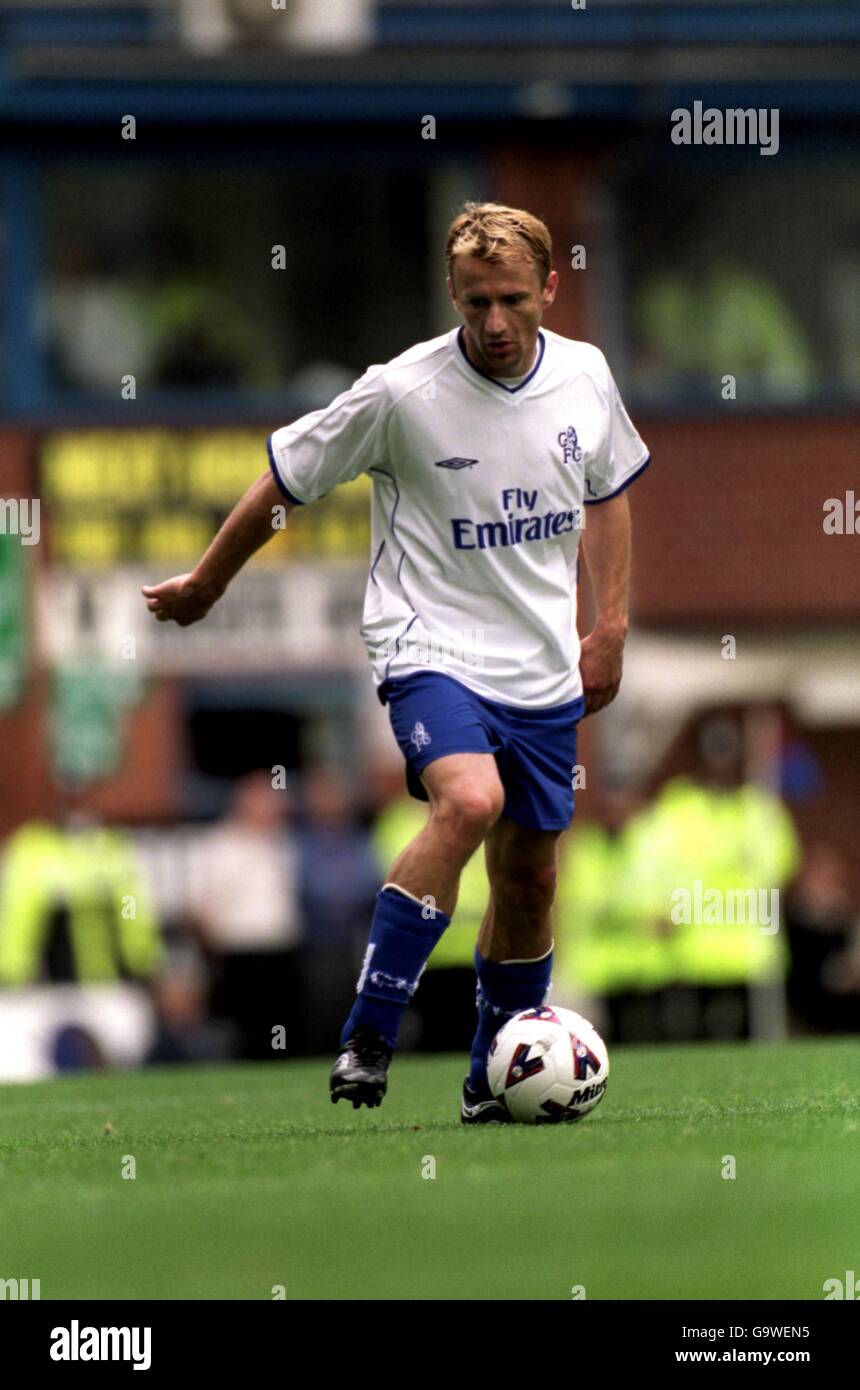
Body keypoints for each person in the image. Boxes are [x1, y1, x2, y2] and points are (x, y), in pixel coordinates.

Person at [142, 201, 650, 1121]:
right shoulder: (400, 392)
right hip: (429, 645)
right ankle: (370, 1034)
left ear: (549, 287)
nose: (494, 322)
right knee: (470, 800)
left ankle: (490, 1081)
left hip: (541, 666)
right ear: (452, 296)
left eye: (511, 300)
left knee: (530, 878)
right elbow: (286, 480)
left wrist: (608, 627)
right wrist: (209, 584)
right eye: (474, 302)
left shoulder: (585, 376)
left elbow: (607, 495)